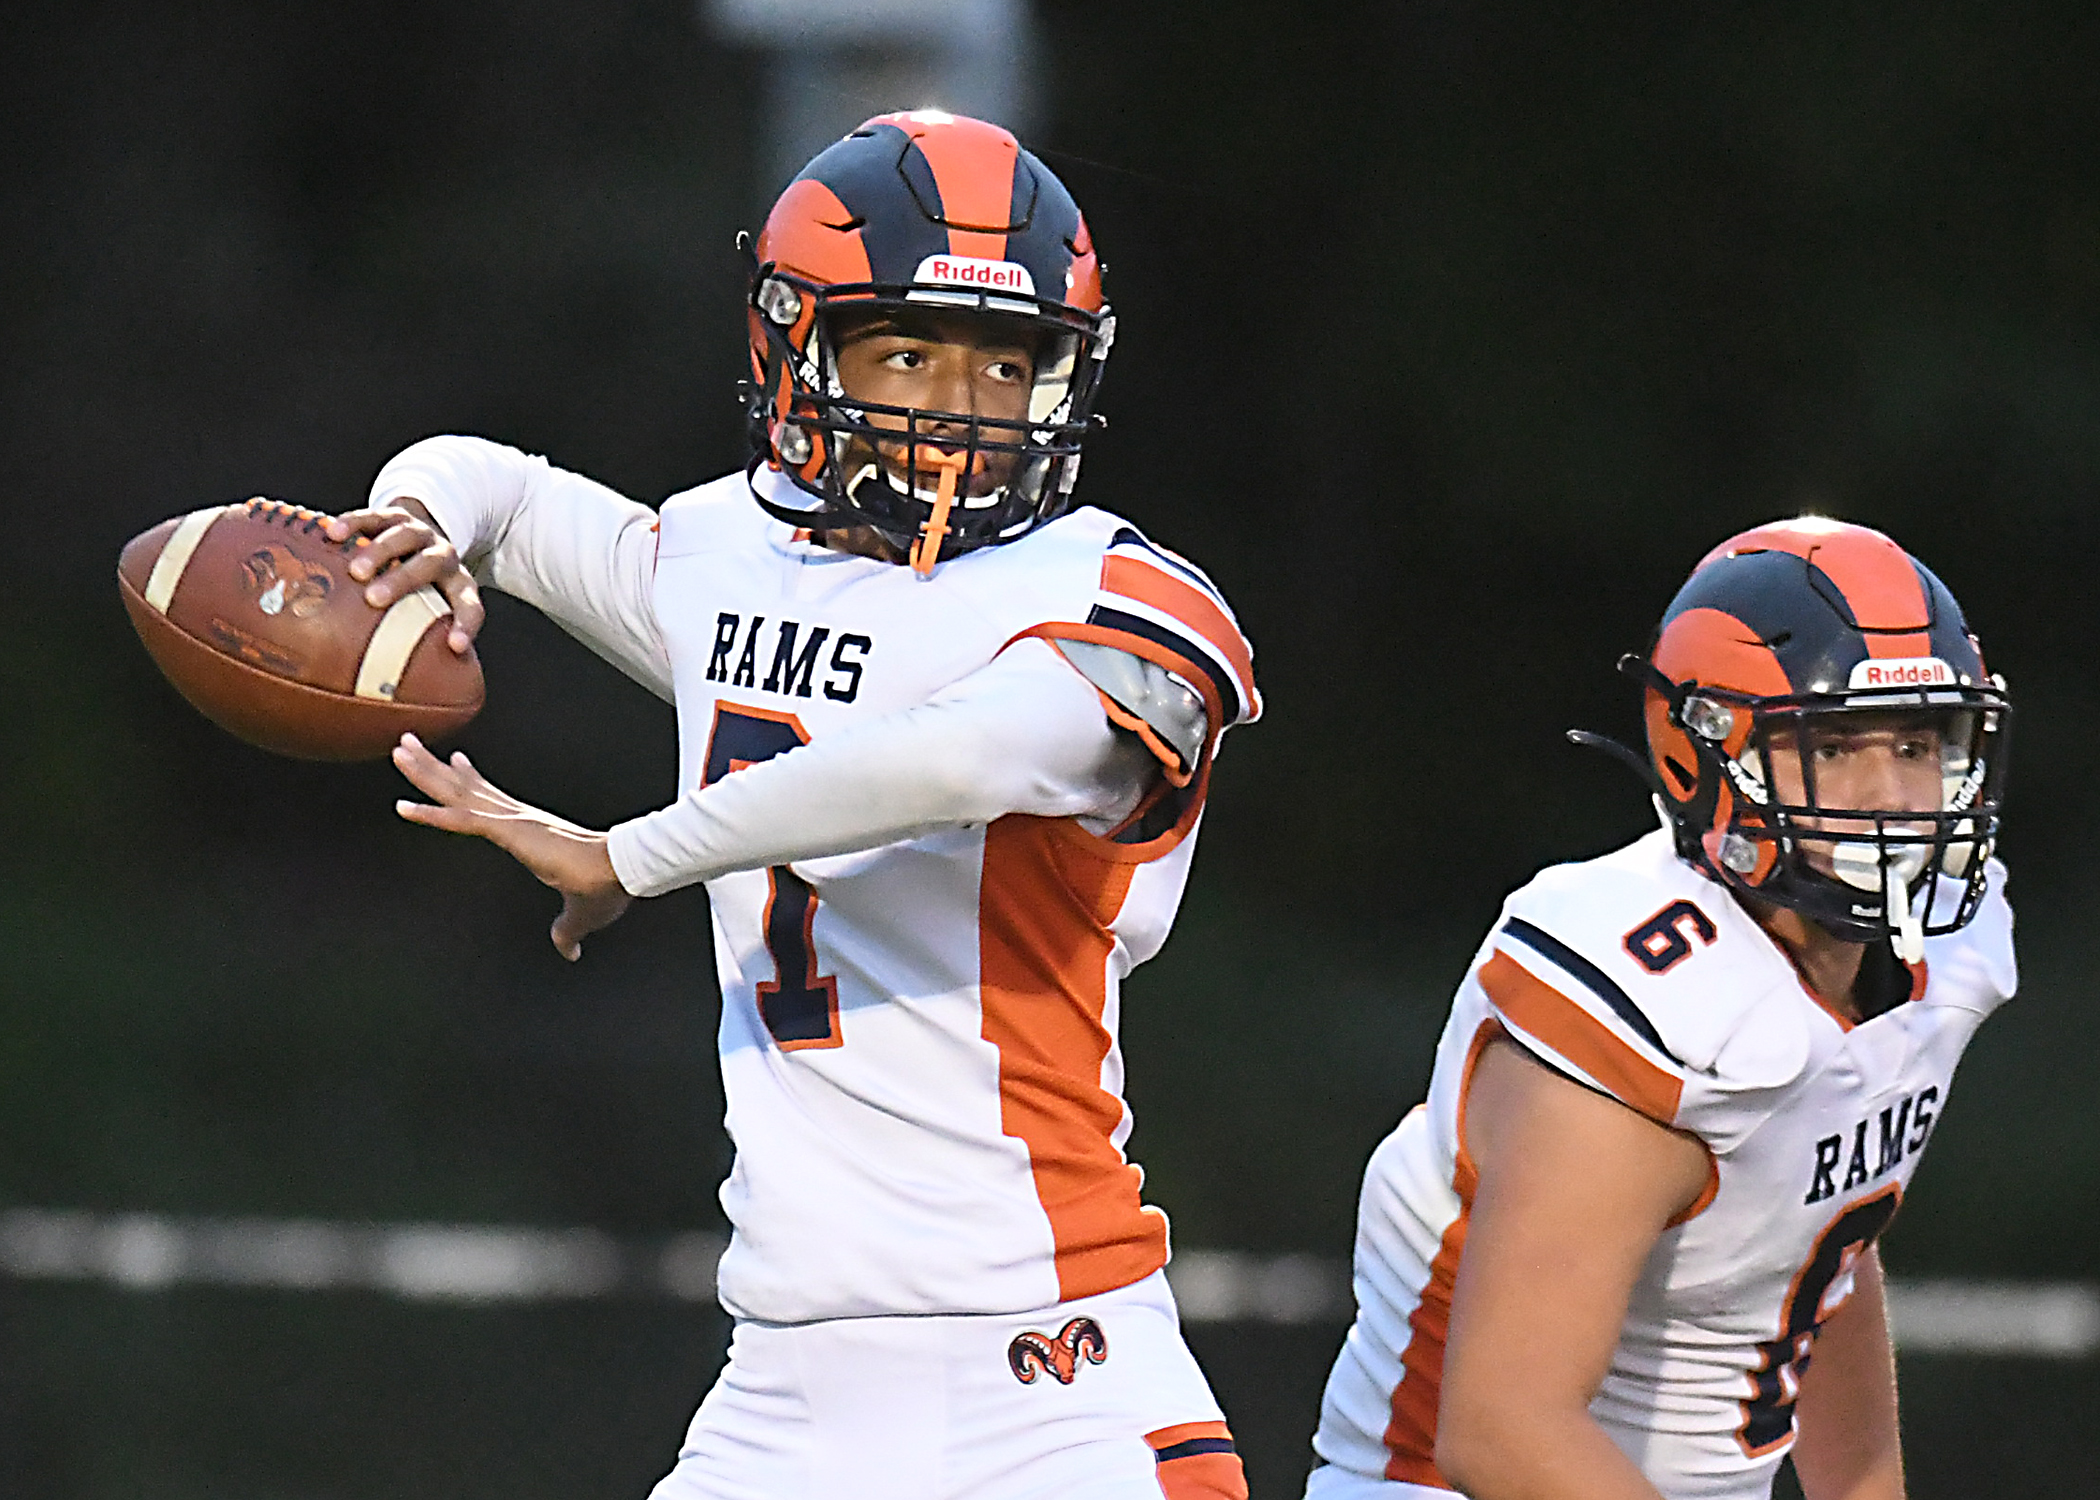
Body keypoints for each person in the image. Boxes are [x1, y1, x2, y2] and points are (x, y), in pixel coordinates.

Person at [321, 112, 1256, 1499]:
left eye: (1007, 363)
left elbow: (955, 763)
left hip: (1050, 1381)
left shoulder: (1124, 596)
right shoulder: (725, 554)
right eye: (908, 353)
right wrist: (420, 528)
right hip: (782, 1388)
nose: (960, 407)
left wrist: (629, 855)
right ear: (794, 349)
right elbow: (493, 488)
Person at [1304, 517, 2015, 1500]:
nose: (1890, 794)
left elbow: (1818, 1254)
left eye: (1915, 742)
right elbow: (1503, 1430)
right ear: (1704, 754)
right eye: (1835, 745)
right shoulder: (1656, 1006)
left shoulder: (1935, 958)